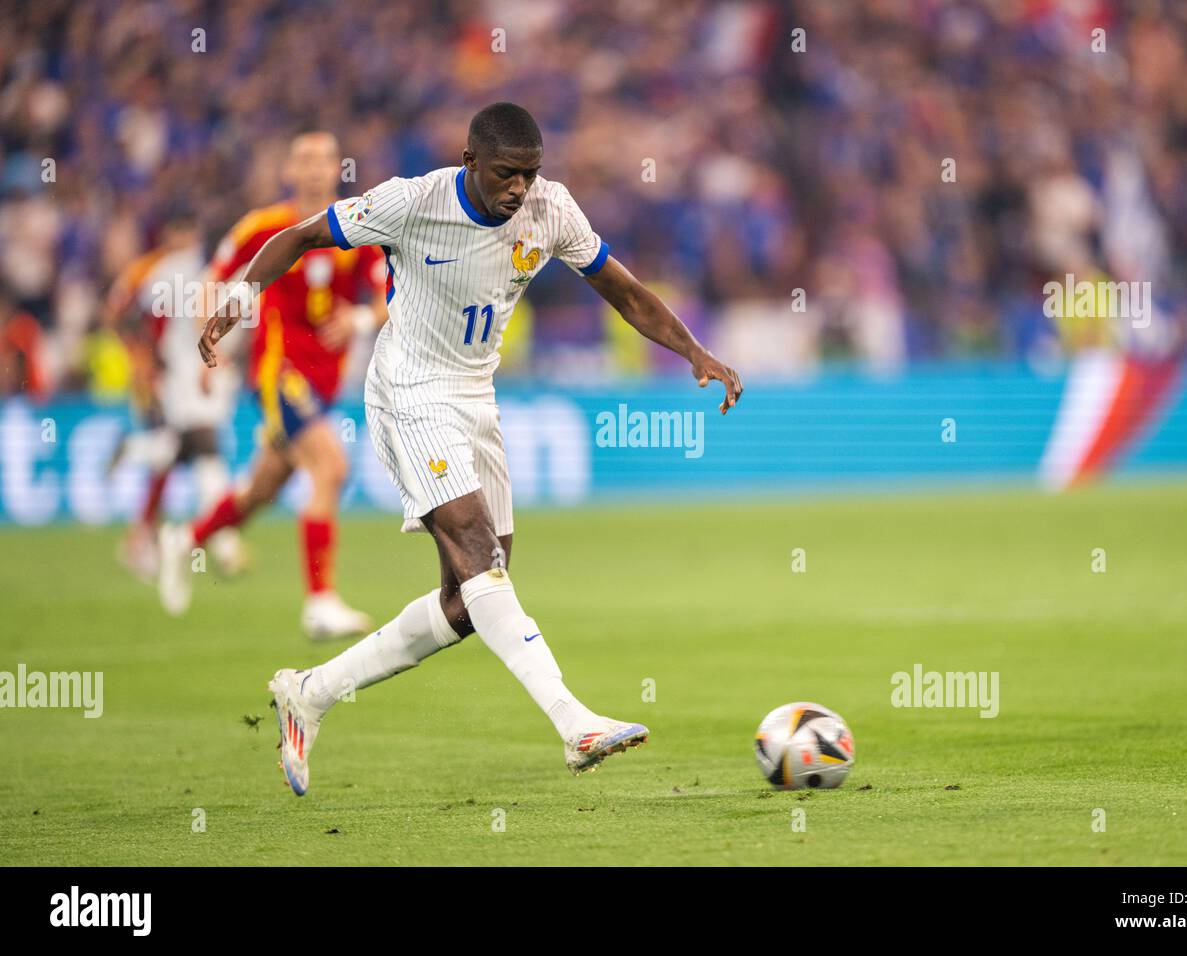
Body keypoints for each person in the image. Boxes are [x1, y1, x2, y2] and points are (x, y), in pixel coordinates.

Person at [197, 103, 743, 793]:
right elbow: (303, 236)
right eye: (508, 175)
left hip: (474, 398)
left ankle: (312, 691)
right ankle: (573, 722)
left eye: (531, 173)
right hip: (408, 392)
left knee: (469, 598)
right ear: (471, 164)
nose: (521, 189)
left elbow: (622, 289)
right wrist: (241, 298)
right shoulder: (411, 202)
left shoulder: (552, 210)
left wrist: (695, 351)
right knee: (481, 558)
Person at [158, 131, 388, 639]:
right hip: (278, 372)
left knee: (262, 490)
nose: (313, 168)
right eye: (303, 159)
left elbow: (385, 297)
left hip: (325, 383)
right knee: (331, 466)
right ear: (288, 169)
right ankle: (320, 604)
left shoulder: (356, 227)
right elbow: (214, 277)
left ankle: (186, 540)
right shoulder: (265, 226)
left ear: (337, 168)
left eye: (323, 159)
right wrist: (208, 338)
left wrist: (359, 321)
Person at [104, 212, 243, 581]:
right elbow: (124, 310)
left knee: (172, 451)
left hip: (218, 375)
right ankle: (224, 544)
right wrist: (144, 360)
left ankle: (135, 451)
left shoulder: (243, 273)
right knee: (205, 445)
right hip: (181, 376)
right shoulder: (171, 270)